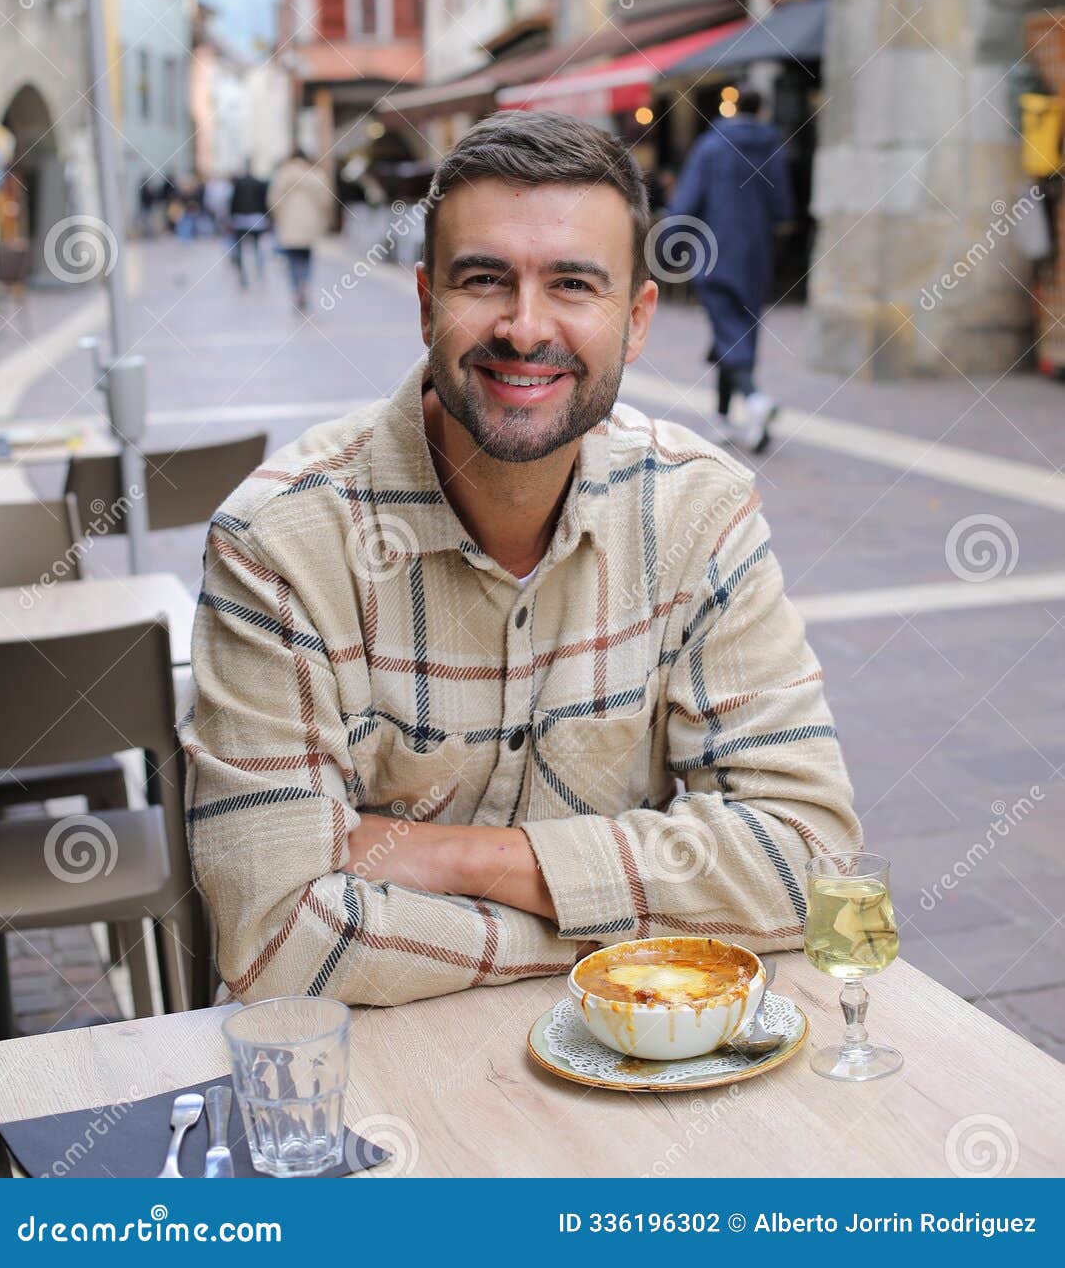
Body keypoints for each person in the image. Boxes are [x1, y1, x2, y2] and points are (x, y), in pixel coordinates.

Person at [182, 112, 858, 1008]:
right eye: (484, 280)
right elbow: (276, 942)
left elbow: (811, 856)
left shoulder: (700, 510)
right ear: (425, 304)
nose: (525, 327)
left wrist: (462, 859)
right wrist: (626, 926)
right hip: (369, 1076)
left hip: (639, 1064)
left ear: (636, 320)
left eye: (572, 284)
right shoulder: (279, 545)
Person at [668, 88, 793, 453]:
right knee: (738, 331)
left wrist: (668, 241)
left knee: (727, 329)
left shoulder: (711, 146)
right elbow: (782, 207)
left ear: (734, 107)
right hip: (755, 256)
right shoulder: (771, 147)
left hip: (714, 254)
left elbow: (686, 202)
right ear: (763, 111)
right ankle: (723, 417)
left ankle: (754, 400)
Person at [267, 148, 332, 310]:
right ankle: (305, 284)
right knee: (307, 257)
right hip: (311, 225)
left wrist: (279, 217)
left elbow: (273, 199)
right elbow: (326, 200)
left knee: (292, 259)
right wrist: (323, 219)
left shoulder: (283, 174)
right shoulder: (316, 175)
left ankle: (296, 288)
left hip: (289, 223)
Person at [227, 161, 270, 287]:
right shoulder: (259, 183)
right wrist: (266, 217)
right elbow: (264, 202)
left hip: (240, 219)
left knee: (240, 248)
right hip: (256, 218)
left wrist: (231, 217)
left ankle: (243, 276)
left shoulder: (238, 183)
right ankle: (259, 273)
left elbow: (233, 202)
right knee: (257, 247)